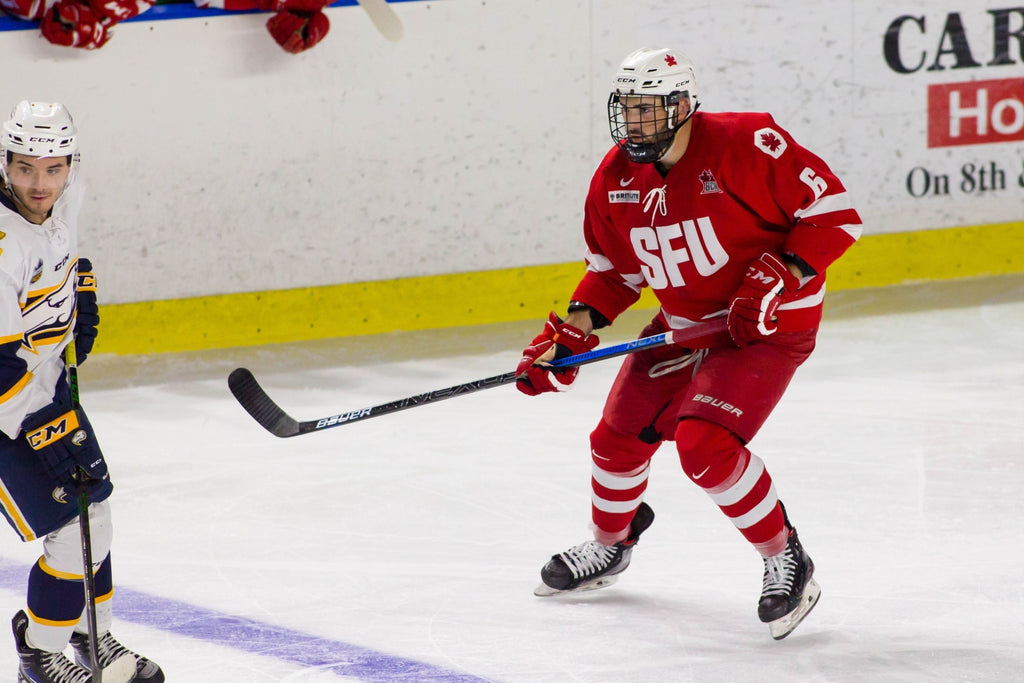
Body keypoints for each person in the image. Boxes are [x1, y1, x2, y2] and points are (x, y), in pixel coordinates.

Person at [516, 48, 862, 640]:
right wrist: (571, 331)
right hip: (683, 327)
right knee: (615, 439)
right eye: (626, 109)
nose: (633, 123)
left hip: (766, 330)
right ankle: (610, 545)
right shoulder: (615, 179)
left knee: (704, 445)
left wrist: (782, 271)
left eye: (648, 110)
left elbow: (835, 214)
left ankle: (786, 558)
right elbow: (612, 273)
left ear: (682, 106)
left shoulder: (748, 142)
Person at [0, 102, 164, 681]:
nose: (39, 183)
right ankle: (37, 653)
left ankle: (93, 638)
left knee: (96, 518)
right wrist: (32, 418)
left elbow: (62, 259)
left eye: (52, 168)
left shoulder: (60, 203)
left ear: (71, 165)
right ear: (5, 165)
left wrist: (76, 298)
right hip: (8, 409)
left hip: (47, 391)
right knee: (73, 531)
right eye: (24, 168)